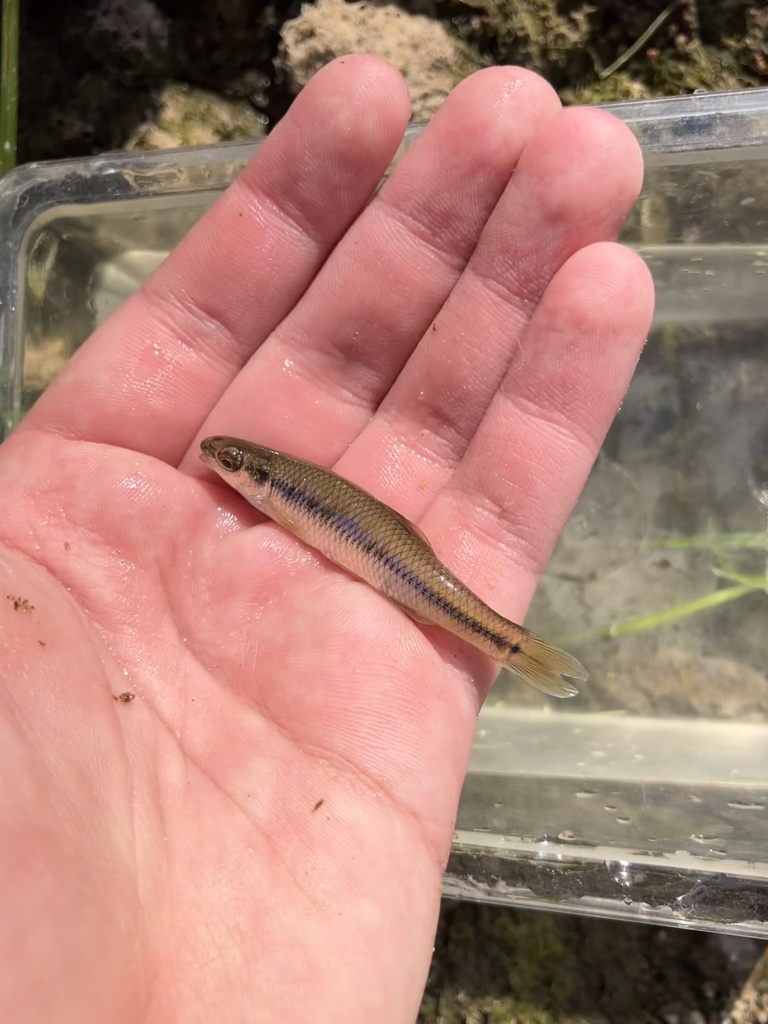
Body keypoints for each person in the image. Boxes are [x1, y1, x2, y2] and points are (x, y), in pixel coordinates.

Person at [0, 56, 653, 1022]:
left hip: (410, 573)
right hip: (404, 571)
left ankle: (513, 646)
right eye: (230, 464)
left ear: (261, 482)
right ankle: (516, 647)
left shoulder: (279, 487)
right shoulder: (270, 488)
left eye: (235, 465)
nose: (227, 473)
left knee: (451, 597)